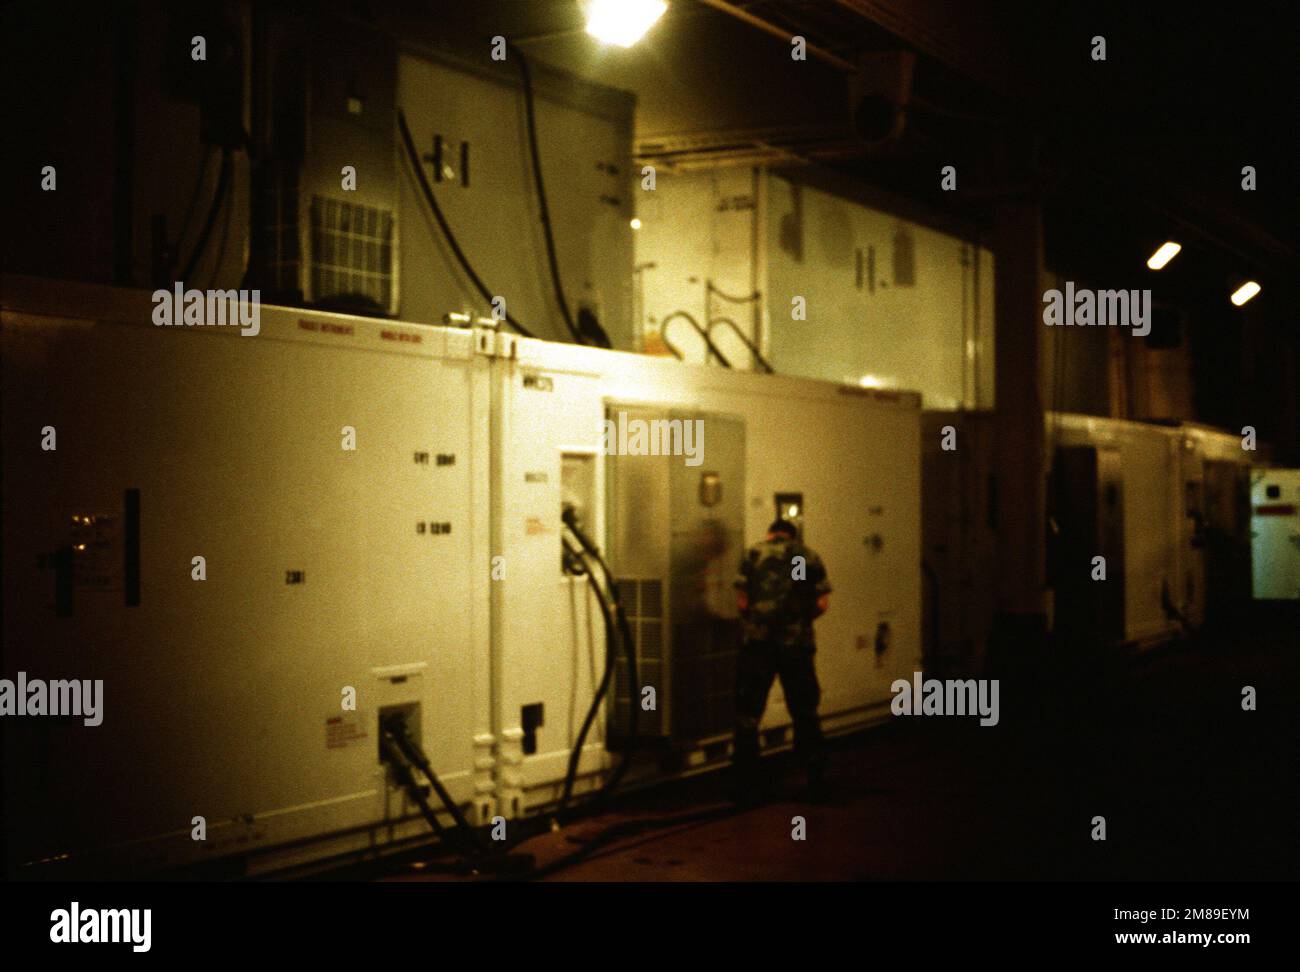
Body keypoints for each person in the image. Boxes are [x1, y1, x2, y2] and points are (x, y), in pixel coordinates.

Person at [731, 518, 831, 802]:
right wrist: (798, 620)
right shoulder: (807, 556)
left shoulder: (753, 553)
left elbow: (742, 602)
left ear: (770, 533)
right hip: (796, 646)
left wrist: (758, 622)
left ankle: (745, 783)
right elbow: (822, 603)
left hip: (758, 645)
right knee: (804, 710)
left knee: (748, 713)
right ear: (793, 535)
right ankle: (813, 776)